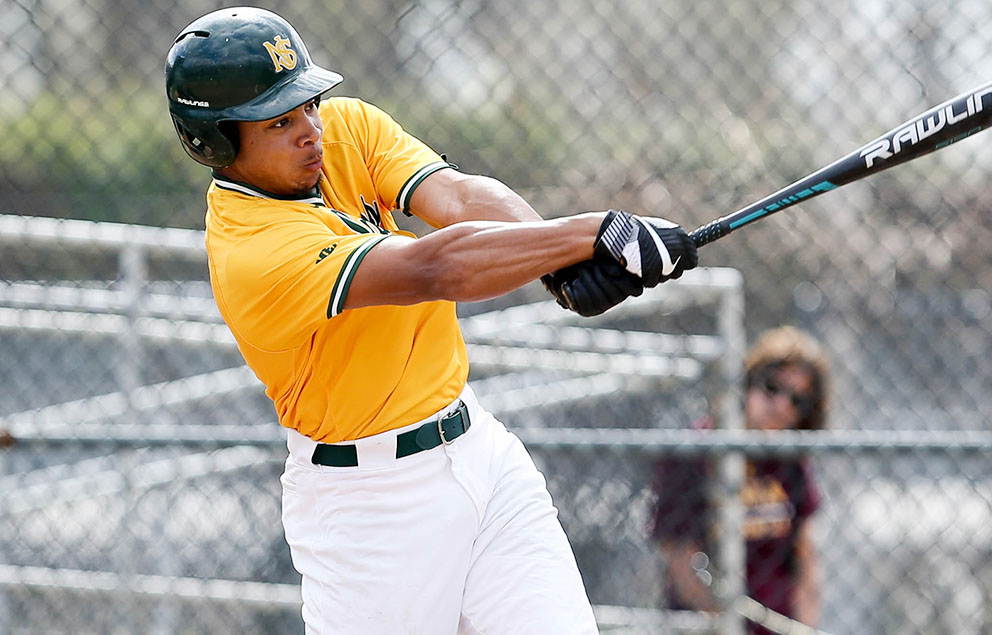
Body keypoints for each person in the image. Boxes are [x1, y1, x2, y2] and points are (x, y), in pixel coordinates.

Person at [164, 7, 698, 634]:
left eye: (308, 103)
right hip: (370, 511)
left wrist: (558, 259)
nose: (310, 129)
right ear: (217, 142)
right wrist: (592, 234)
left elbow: (462, 200)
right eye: (280, 121)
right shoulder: (252, 252)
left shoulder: (344, 130)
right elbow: (435, 267)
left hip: (480, 456)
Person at [652, 326, 829, 634]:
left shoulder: (789, 460)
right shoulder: (696, 451)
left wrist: (803, 628)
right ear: (749, 382)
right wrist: (725, 624)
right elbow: (679, 557)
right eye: (772, 388)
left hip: (775, 623)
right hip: (703, 625)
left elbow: (806, 560)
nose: (782, 406)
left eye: (798, 400)